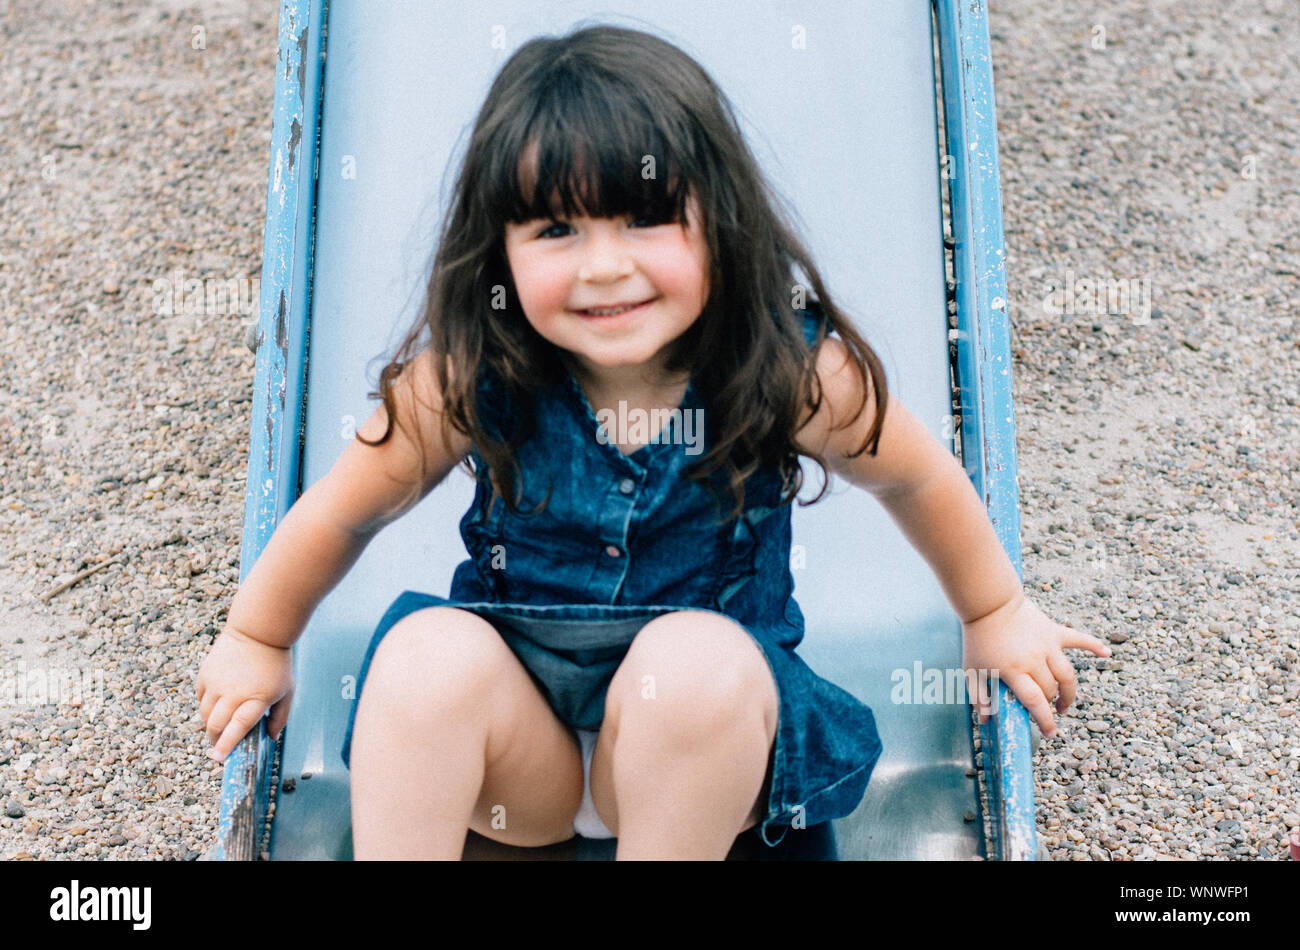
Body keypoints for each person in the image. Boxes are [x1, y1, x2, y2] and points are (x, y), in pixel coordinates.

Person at [195, 24, 1110, 860]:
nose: (603, 266)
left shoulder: (784, 372)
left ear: (721, 218)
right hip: (530, 764)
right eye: (556, 229)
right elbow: (347, 510)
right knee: (423, 657)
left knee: (697, 663)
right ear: (499, 250)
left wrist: (993, 614)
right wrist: (257, 636)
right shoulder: (471, 376)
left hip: (701, 760)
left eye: (644, 218)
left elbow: (915, 478)